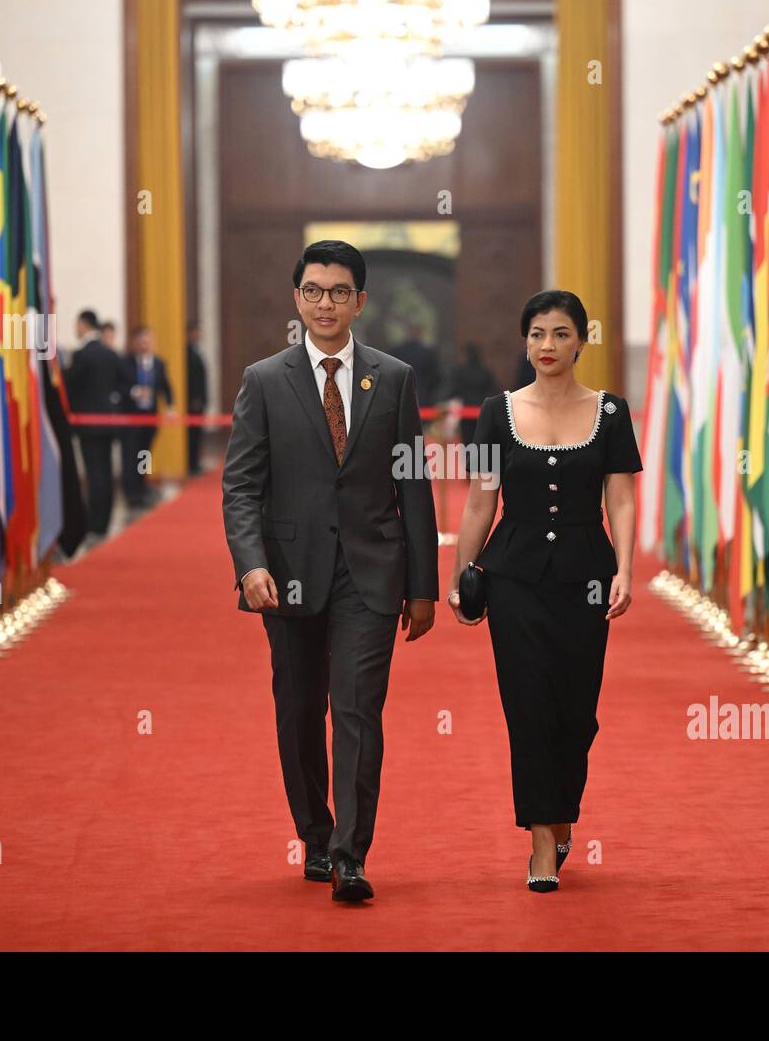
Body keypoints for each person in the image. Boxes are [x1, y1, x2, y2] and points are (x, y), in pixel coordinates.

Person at [221, 240, 438, 903]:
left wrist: (423, 586)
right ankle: (314, 834)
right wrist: (250, 565)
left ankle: (350, 854)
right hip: (287, 574)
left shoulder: (394, 378)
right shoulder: (264, 380)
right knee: (298, 710)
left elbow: (413, 483)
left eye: (339, 292)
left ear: (359, 302)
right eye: (314, 290)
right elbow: (241, 486)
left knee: (357, 709)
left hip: (372, 572)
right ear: (297, 298)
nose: (326, 303)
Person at [448, 289, 642, 894]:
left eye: (560, 333)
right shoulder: (495, 412)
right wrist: (461, 576)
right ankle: (540, 841)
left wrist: (625, 570)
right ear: (524, 342)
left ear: (581, 341)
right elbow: (480, 501)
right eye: (536, 334)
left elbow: (621, 499)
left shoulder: (611, 413)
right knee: (528, 705)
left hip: (587, 577)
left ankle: (561, 814)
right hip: (514, 579)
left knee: (577, 713)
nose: (547, 345)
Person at [66, 309, 124, 536]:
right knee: (106, 472)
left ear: (84, 324)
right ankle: (105, 520)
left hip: (88, 424)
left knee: (94, 473)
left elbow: (71, 386)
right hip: (109, 422)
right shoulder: (110, 354)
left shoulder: (82, 355)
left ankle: (94, 521)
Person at [119, 325, 174, 508]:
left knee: (144, 455)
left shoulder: (158, 363)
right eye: (142, 340)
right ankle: (131, 493)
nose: (145, 344)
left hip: (150, 418)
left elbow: (166, 387)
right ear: (135, 342)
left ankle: (142, 488)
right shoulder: (125, 362)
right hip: (131, 418)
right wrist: (135, 392)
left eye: (148, 340)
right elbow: (118, 386)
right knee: (130, 456)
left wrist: (170, 407)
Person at [186, 325, 209, 476]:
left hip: (199, 399)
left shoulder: (196, 350)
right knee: (192, 434)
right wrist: (195, 397)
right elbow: (192, 378)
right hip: (193, 400)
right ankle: (191, 464)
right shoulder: (187, 353)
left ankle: (195, 461)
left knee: (197, 433)